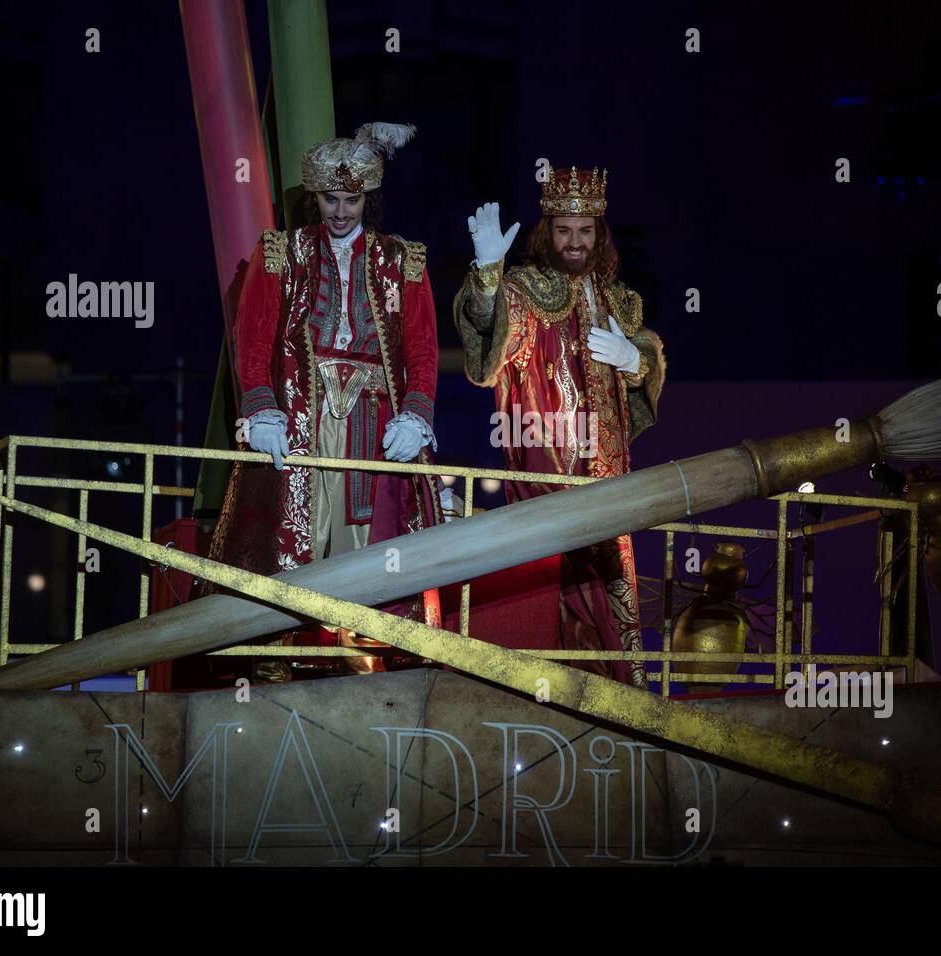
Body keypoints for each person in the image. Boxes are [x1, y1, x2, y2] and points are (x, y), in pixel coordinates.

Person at [207, 123, 442, 678]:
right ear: (315, 197)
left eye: (352, 199)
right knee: (295, 534)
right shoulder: (280, 253)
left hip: (377, 419)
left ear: (368, 198)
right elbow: (255, 336)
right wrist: (260, 407)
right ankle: (280, 653)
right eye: (330, 199)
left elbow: (424, 346)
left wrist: (417, 413)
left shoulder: (401, 259)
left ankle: (368, 653)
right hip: (298, 413)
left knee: (370, 537)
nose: (340, 211)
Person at [452, 165, 666, 686]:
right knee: (558, 604)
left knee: (614, 606)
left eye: (586, 230)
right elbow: (491, 332)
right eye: (565, 230)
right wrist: (485, 274)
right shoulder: (527, 290)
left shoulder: (620, 300)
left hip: (612, 481)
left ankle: (622, 702)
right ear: (548, 233)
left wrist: (634, 359)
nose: (576, 242)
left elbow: (647, 362)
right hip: (552, 479)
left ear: (600, 233)